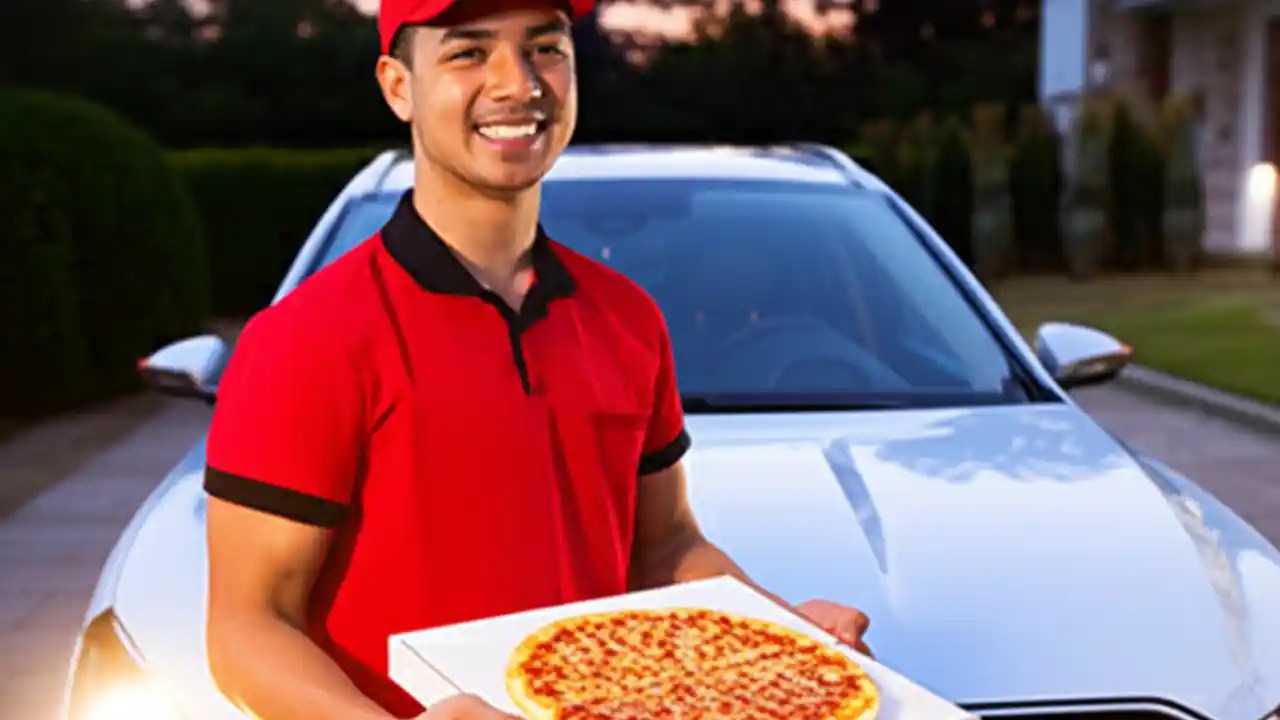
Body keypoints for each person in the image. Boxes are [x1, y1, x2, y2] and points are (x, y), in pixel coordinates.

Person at [201, 0, 872, 717]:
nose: (518, 84)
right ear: (399, 86)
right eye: (468, 53)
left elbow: (666, 547)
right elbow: (248, 627)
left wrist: (786, 637)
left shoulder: (627, 320)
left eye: (545, 48)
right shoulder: (307, 338)